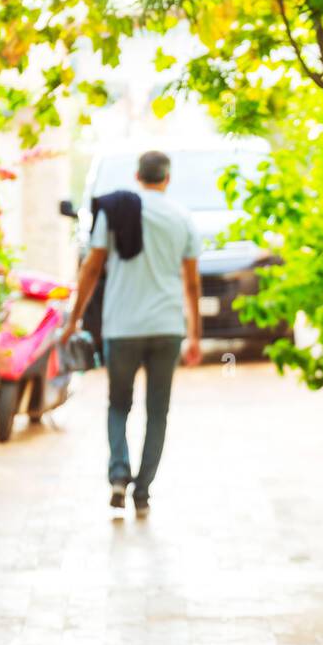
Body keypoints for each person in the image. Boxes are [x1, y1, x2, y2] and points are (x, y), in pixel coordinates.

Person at [62, 150, 203, 517]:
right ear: (167, 179)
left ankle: (118, 475)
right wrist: (196, 336)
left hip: (122, 326)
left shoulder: (114, 210)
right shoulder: (182, 217)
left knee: (118, 404)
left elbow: (92, 269)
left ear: (138, 176)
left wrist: (73, 320)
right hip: (167, 327)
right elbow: (191, 283)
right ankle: (143, 492)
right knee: (158, 411)